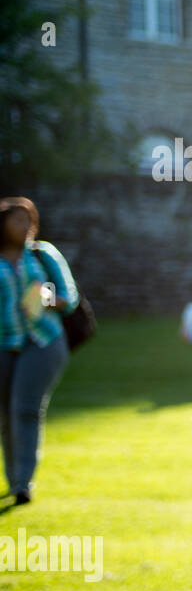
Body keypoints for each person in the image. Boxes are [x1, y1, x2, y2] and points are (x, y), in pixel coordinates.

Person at [0, 197, 79, 507]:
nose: (24, 227)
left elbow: (68, 297)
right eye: (17, 221)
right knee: (6, 413)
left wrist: (45, 299)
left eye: (27, 221)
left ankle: (23, 482)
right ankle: (12, 476)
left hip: (43, 340)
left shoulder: (42, 254)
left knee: (26, 408)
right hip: (5, 341)